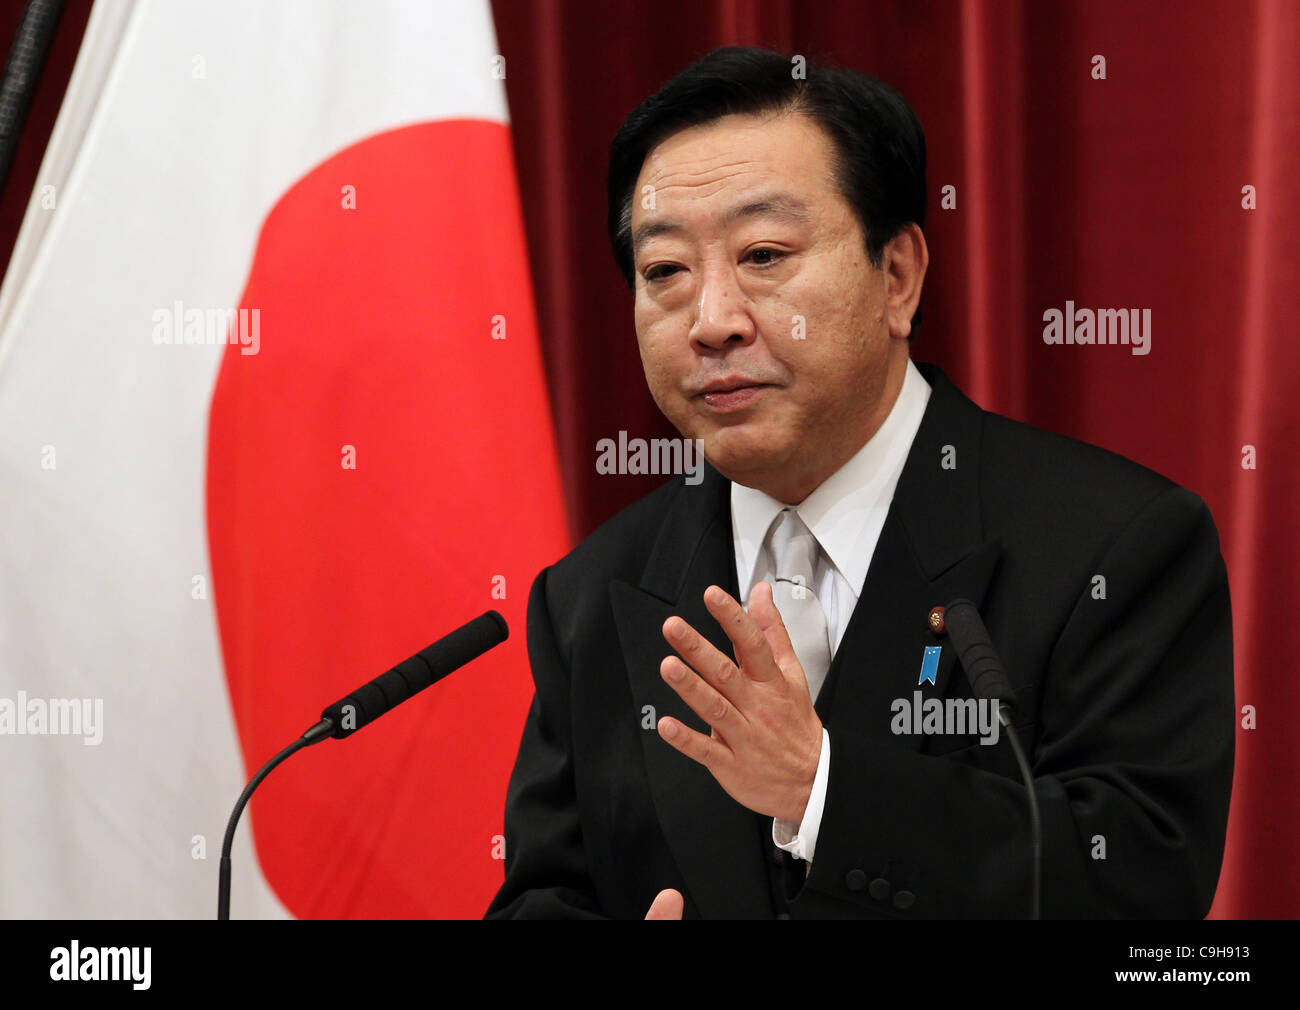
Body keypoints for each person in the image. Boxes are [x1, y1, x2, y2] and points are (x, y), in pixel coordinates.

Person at [485, 46, 1233, 919]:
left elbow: (1140, 885)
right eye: (665, 273)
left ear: (898, 276)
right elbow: (545, 895)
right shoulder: (590, 594)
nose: (712, 321)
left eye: (763, 254)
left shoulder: (1114, 543)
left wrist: (822, 792)